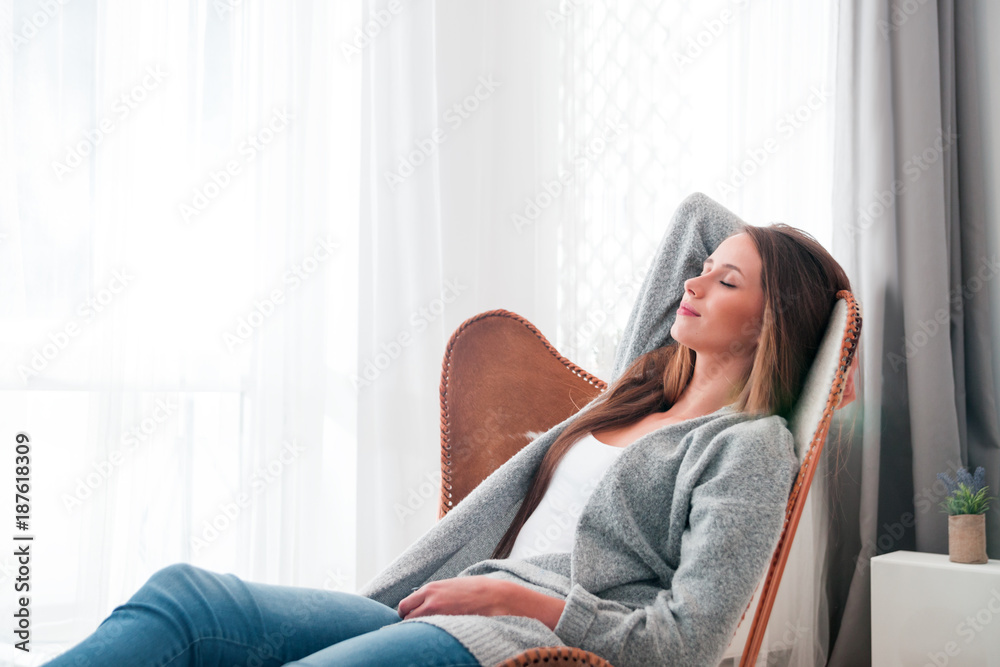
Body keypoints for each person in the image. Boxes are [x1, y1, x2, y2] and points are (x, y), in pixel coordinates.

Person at [42, 192, 859, 667]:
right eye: (704, 267)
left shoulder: (747, 448)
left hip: (519, 643)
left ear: (770, 323)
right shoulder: (642, 384)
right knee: (186, 598)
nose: (693, 282)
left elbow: (687, 643)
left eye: (726, 281)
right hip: (456, 602)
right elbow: (696, 215)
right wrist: (759, 269)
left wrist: (524, 601)